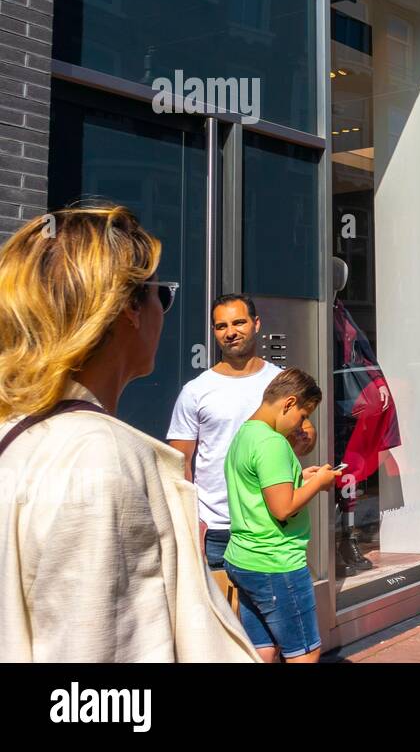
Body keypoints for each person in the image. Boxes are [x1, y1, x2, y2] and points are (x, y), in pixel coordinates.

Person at [0, 206, 258, 661]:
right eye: (163, 295)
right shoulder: (98, 460)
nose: (165, 310)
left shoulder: (21, 438)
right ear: (128, 309)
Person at [168, 294, 311, 570]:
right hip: (216, 528)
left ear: (256, 324)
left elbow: (307, 435)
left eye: (239, 323)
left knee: (268, 611)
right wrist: (189, 521)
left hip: (270, 522)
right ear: (214, 332)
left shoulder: (280, 382)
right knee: (219, 612)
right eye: (221, 326)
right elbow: (178, 462)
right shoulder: (196, 390)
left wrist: (302, 440)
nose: (230, 332)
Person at [222, 368, 340, 663]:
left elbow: (258, 490)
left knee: (262, 649)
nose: (301, 425)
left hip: (245, 559)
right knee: (305, 652)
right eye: (302, 415)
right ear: (288, 403)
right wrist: (318, 483)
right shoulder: (271, 442)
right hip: (276, 563)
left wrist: (300, 476)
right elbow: (283, 508)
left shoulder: (245, 434)